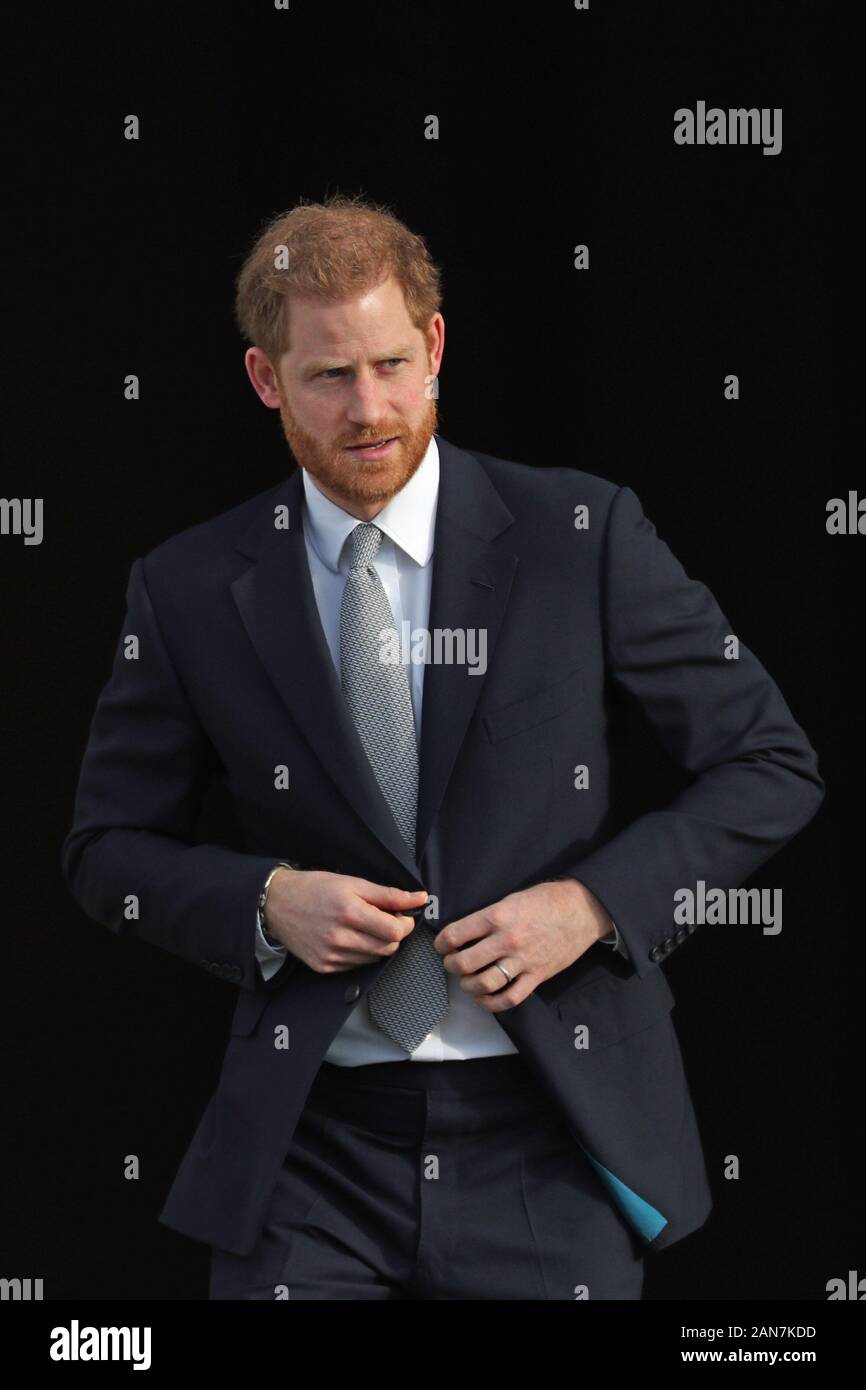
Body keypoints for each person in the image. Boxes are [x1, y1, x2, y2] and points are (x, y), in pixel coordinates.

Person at [60, 193, 825, 1300]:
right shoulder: (185, 588)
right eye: (327, 376)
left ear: (434, 348)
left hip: (553, 1141)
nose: (368, 407)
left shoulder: (580, 535)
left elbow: (768, 762)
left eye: (387, 363)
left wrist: (593, 905)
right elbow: (104, 851)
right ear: (265, 379)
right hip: (306, 1152)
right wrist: (266, 899)